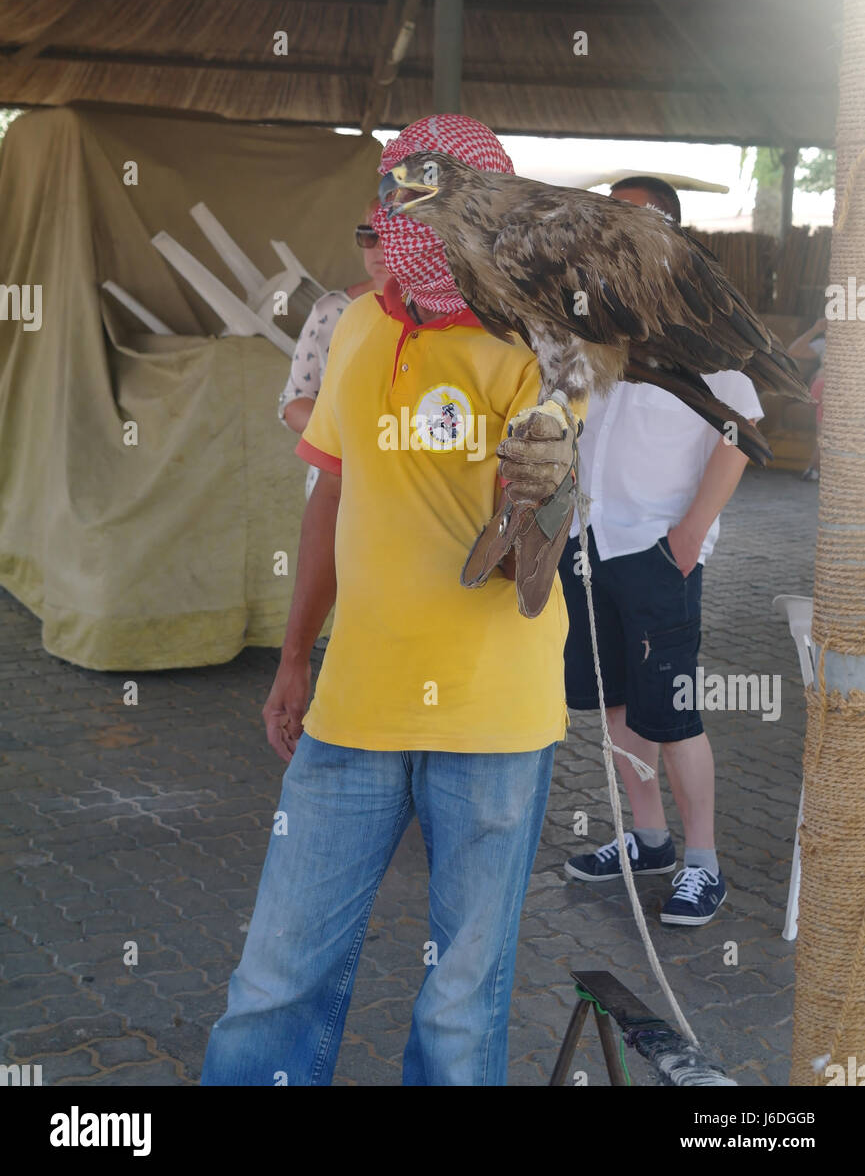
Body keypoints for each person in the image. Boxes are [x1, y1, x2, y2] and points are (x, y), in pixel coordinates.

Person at [201, 115, 584, 1087]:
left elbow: (525, 547)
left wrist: (533, 517)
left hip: (493, 720)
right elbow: (332, 493)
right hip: (352, 709)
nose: (402, 241)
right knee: (274, 980)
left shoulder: (541, 350)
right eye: (396, 218)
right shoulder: (360, 327)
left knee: (459, 1009)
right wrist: (295, 655)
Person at [559, 175, 763, 927]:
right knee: (613, 704)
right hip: (588, 542)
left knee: (672, 713)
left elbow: (740, 427)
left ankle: (703, 862)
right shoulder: (597, 324)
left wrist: (686, 536)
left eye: (634, 220)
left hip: (655, 551)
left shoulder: (701, 325)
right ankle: (648, 839)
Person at [279, 200, 389, 499]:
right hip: (335, 490)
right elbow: (293, 403)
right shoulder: (332, 310)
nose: (378, 248)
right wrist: (352, 434)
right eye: (369, 236)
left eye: (391, 234)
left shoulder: (440, 317)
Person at [788, 316, 826, 481]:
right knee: (825, 431)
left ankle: (813, 468)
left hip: (843, 390)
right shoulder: (825, 343)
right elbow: (793, 351)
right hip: (825, 388)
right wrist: (816, 329)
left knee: (824, 431)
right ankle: (814, 469)